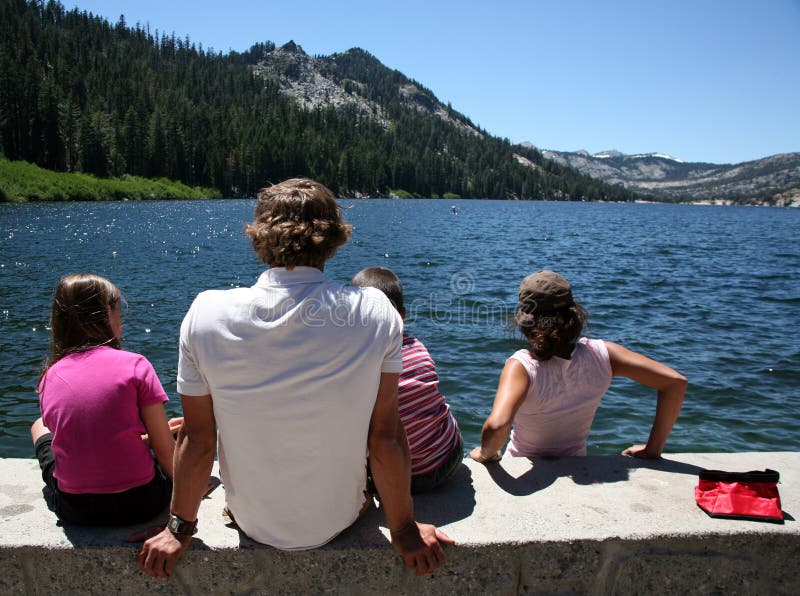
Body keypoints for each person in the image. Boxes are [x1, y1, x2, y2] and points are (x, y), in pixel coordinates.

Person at [138, 178, 453, 579]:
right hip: (341, 517)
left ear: (259, 238)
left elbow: (199, 441)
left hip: (251, 520)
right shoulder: (376, 311)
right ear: (334, 239)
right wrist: (404, 528)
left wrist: (178, 528)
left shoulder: (206, 313)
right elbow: (385, 436)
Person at [469, 270, 687, 463]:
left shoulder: (522, 366)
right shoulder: (603, 354)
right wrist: (652, 450)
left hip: (522, 464)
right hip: (577, 463)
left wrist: (485, 454)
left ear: (527, 322)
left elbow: (497, 426)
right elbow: (675, 383)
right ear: (573, 315)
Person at [31, 273, 179, 525]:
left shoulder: (49, 376)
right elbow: (166, 453)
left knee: (38, 426)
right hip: (142, 502)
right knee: (174, 431)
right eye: (118, 309)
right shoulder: (136, 365)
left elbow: (76, 438)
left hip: (76, 509)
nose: (122, 318)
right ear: (106, 316)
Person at [352, 267, 463, 493]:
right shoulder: (417, 346)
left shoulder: (356, 364)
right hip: (448, 461)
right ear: (402, 315)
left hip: (399, 479)